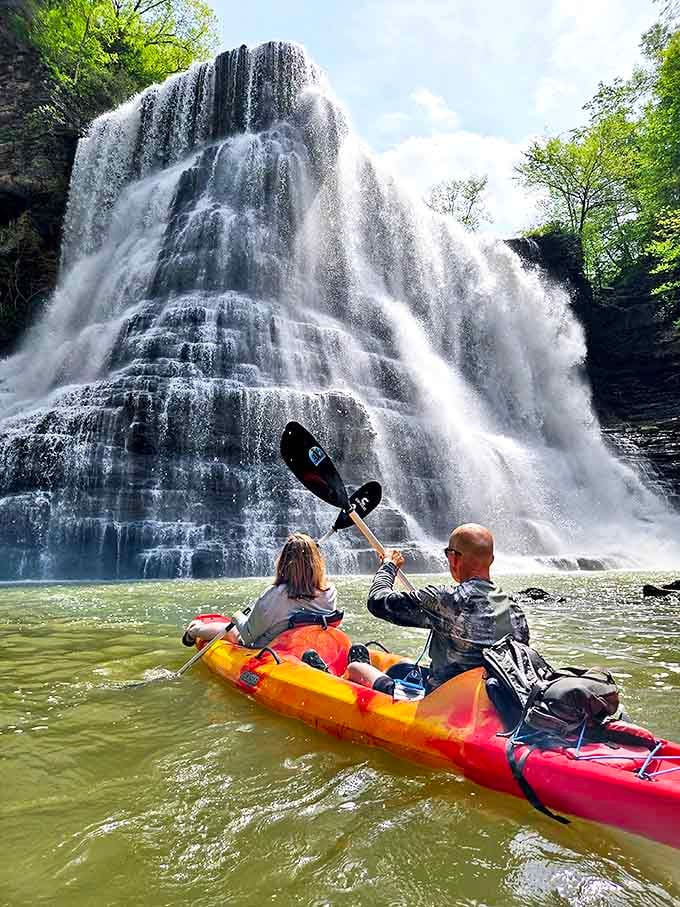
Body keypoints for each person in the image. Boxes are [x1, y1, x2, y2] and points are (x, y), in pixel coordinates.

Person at [345, 523, 530, 697]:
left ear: (454, 558)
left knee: (356, 668)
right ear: (491, 560)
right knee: (404, 666)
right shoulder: (516, 611)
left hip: (444, 705)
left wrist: (389, 566)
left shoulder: (446, 600)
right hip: (488, 705)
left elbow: (377, 602)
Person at [183, 532, 338, 649]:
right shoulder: (330, 591)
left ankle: (194, 631)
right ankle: (195, 630)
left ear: (284, 563)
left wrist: (236, 616)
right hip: (304, 647)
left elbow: (248, 636)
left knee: (234, 632)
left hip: (268, 649)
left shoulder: (274, 595)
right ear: (316, 562)